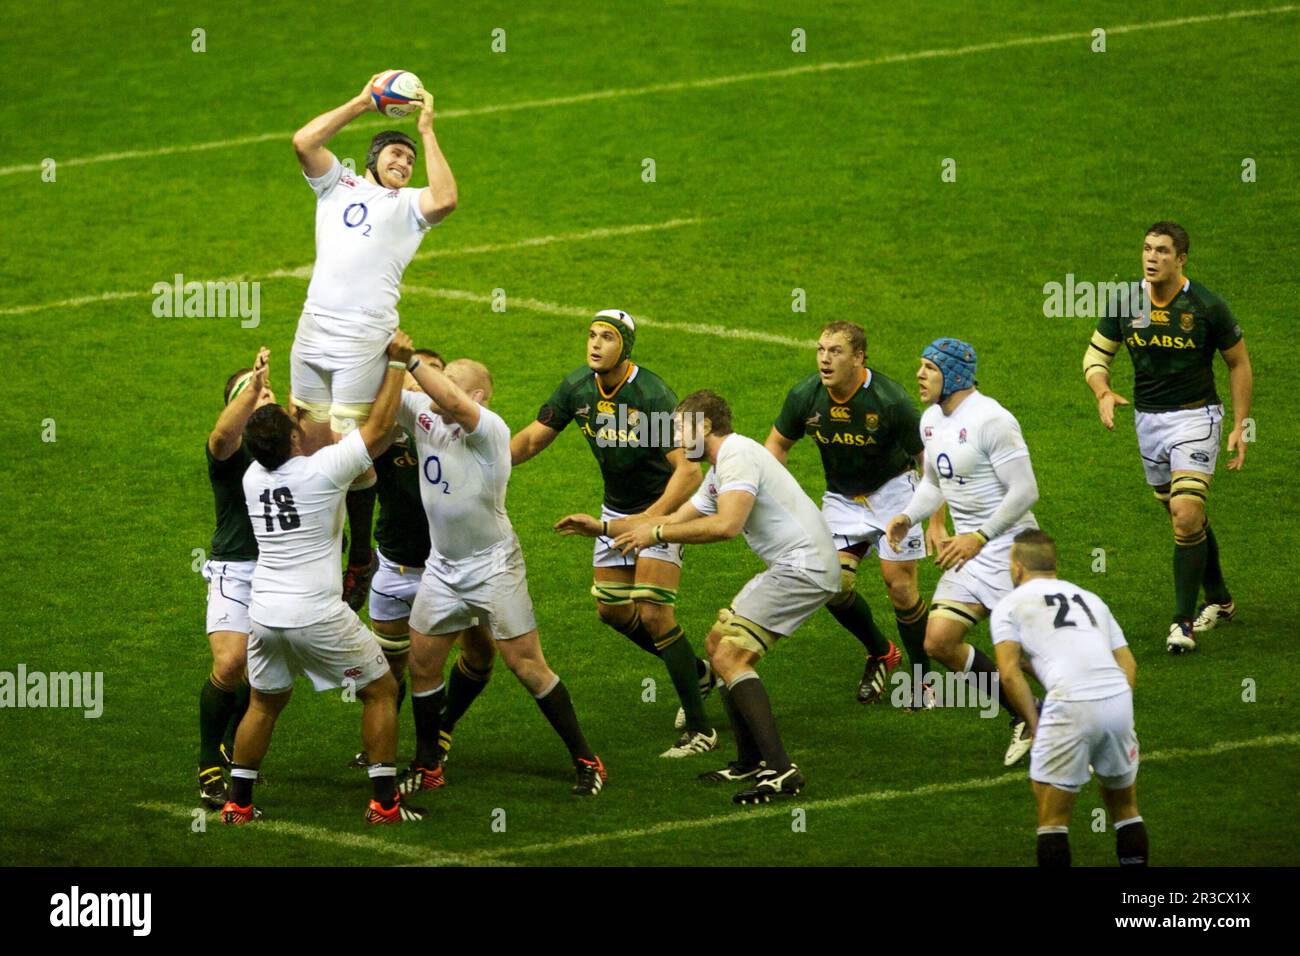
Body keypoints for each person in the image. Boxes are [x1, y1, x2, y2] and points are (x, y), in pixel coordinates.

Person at [563, 390, 838, 804]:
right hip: (798, 566)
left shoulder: (737, 456)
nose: (673, 439)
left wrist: (656, 534)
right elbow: (667, 519)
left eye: (678, 428)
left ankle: (782, 770)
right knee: (716, 645)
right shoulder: (719, 467)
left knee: (730, 657)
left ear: (704, 426)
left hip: (804, 567)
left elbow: (726, 525)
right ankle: (750, 761)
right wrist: (602, 528)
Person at [222, 332, 424, 825]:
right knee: (379, 689)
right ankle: (383, 803)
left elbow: (281, 437)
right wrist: (396, 366)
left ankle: (238, 804)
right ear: (294, 441)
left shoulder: (252, 478)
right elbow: (376, 432)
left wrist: (269, 387)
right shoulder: (322, 472)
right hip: (315, 611)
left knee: (264, 703)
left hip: (264, 615)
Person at [397, 354, 607, 797]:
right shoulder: (424, 415)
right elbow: (379, 394)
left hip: (494, 565)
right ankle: (428, 762)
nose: (436, 385)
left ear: (474, 396)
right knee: (422, 664)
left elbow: (442, 394)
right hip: (442, 567)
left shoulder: (489, 429)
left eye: (448, 380)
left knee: (527, 667)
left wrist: (412, 362)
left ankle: (587, 759)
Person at [514, 310, 717, 757]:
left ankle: (701, 729)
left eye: (607, 337)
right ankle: (699, 673)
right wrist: (487, 467)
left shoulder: (652, 395)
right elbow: (531, 439)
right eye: (591, 335)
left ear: (625, 346)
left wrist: (654, 520)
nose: (595, 344)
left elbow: (689, 471)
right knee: (611, 612)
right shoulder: (577, 388)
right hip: (617, 510)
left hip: (665, 510)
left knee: (654, 614)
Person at [288, 74, 458, 608]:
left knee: (350, 451)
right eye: (395, 153)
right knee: (308, 443)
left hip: (365, 333)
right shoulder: (336, 183)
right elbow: (303, 141)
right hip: (312, 326)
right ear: (371, 158)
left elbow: (447, 198)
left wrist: (427, 131)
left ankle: (358, 553)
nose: (403, 163)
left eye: (409, 160)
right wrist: (364, 102)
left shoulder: (408, 207)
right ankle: (322, 557)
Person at [1082, 221, 1252, 653]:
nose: (1151, 257)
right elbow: (1096, 355)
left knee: (1185, 513)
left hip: (1196, 419)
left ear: (1181, 259)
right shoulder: (1127, 301)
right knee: (1185, 521)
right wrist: (1102, 390)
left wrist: (1239, 424)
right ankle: (1220, 600)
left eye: (1161, 251)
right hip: (1148, 423)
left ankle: (1181, 624)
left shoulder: (1207, 306)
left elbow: (1238, 363)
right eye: (1146, 249)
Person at [765, 321, 942, 706]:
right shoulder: (806, 396)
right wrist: (774, 499)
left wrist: (935, 520)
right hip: (842, 500)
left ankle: (922, 676)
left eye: (835, 352)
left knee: (900, 588)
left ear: (859, 357)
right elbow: (778, 444)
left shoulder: (890, 402)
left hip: (895, 495)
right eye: (820, 350)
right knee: (830, 585)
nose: (825, 360)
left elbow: (928, 459)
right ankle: (881, 652)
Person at [885, 338, 1041, 766]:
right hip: (970, 552)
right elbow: (935, 483)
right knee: (938, 640)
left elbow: (1026, 490)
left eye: (929, 368)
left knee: (1032, 657)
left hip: (1011, 550)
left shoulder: (993, 419)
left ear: (952, 375)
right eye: (920, 366)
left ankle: (1081, 722)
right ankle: (1027, 718)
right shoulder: (931, 420)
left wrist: (981, 536)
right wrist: (908, 516)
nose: (919, 375)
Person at [991, 530, 1147, 867]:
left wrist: (1036, 725)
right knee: (1125, 810)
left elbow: (1007, 671)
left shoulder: (1010, 605)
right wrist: (1116, 706)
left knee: (1053, 819)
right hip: (1117, 699)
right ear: (1054, 565)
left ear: (1017, 568)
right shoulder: (1091, 600)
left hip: (1070, 705)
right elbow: (1128, 663)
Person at [198, 348, 274, 808]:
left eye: (268, 391)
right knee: (230, 664)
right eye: (252, 392)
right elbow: (222, 434)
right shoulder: (229, 451)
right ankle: (209, 762)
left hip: (286, 572)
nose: (264, 395)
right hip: (235, 568)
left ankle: (234, 744)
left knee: (266, 676)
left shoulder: (291, 446)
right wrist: (253, 386)